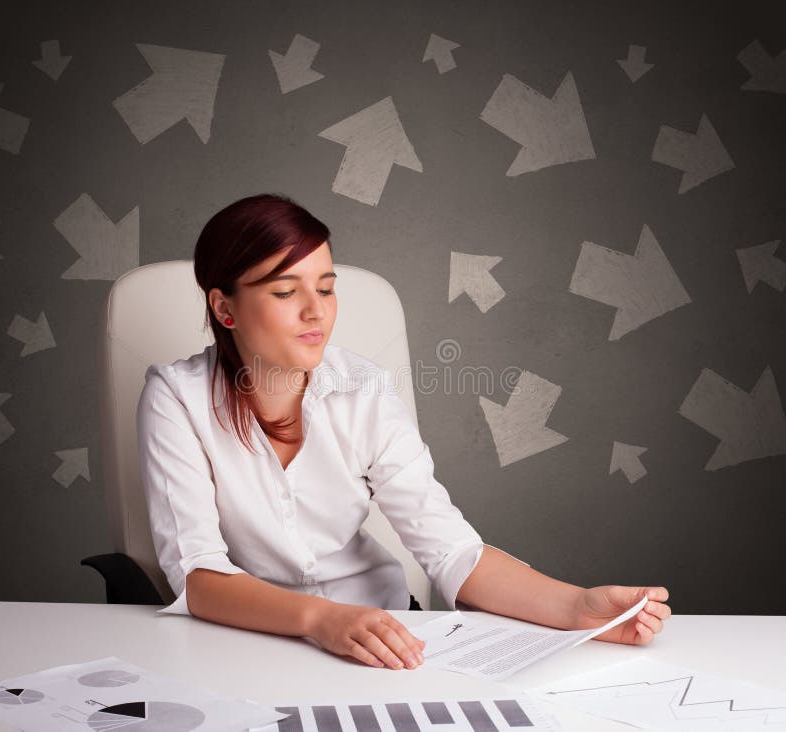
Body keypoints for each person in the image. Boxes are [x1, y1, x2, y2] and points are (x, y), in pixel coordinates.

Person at [136, 193, 671, 673]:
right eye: (284, 291)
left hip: (384, 638)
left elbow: (451, 550)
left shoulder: (364, 388)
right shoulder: (175, 397)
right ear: (224, 307)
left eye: (326, 287)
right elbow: (197, 574)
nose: (315, 310)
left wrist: (579, 609)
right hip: (253, 646)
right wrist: (321, 619)